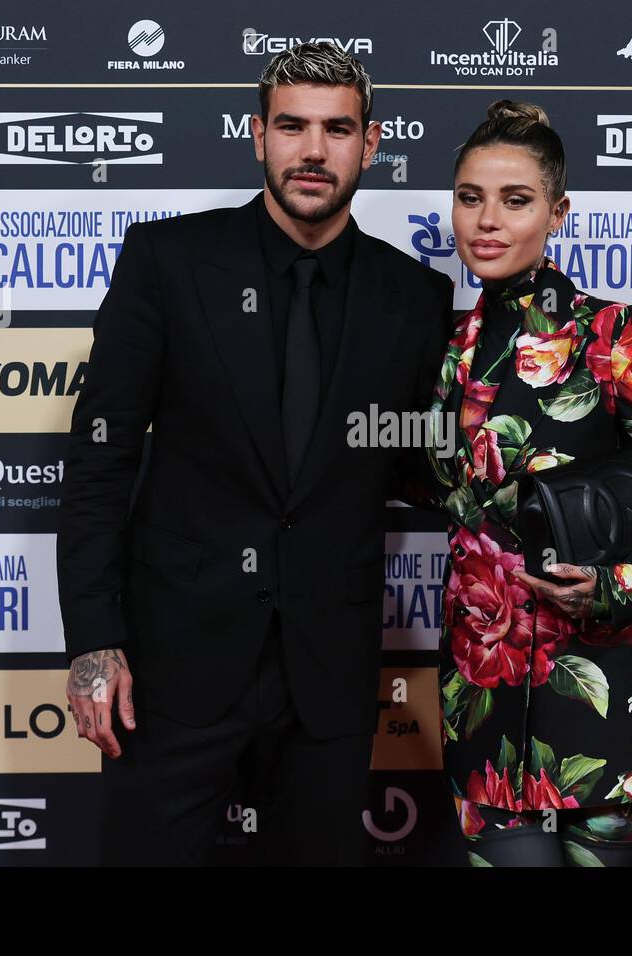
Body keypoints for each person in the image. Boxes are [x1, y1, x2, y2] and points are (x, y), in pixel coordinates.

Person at [55, 42, 453, 865]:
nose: (314, 151)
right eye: (292, 127)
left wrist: (620, 563)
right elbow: (102, 457)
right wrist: (94, 640)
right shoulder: (168, 263)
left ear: (371, 143)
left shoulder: (414, 296)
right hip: (171, 670)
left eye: (337, 129)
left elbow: (433, 470)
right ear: (256, 134)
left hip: (328, 675)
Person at [424, 101, 632, 866]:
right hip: (484, 704)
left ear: (558, 212)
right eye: (470, 198)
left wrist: (621, 583)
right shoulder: (440, 352)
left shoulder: (609, 335)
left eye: (515, 200)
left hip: (603, 695)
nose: (486, 221)